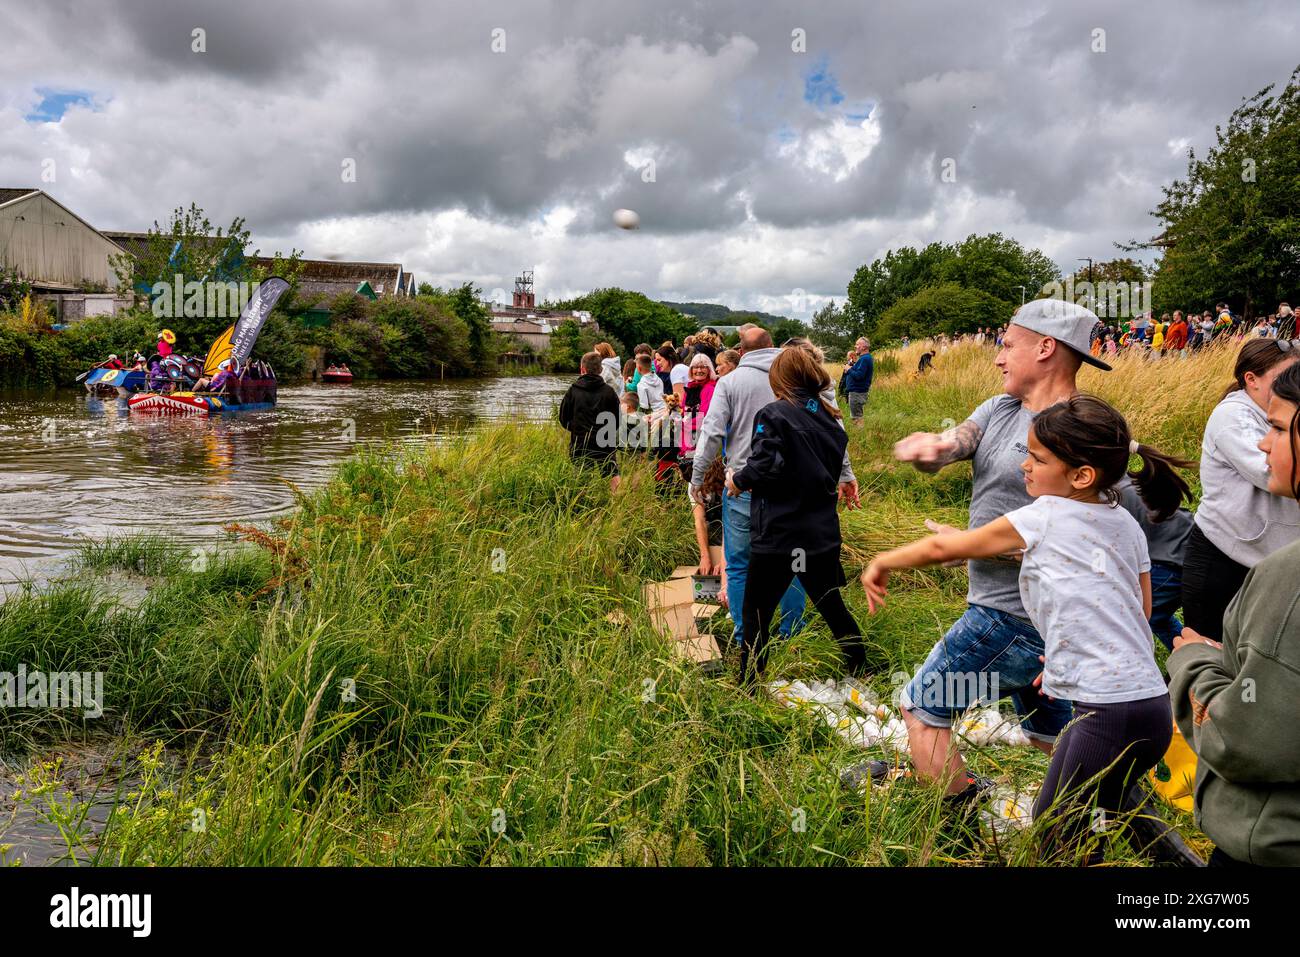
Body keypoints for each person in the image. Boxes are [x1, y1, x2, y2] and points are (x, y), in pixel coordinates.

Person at [865, 394, 1186, 860]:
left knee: (1057, 833)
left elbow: (944, 551)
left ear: (1081, 475)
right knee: (1092, 813)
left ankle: (963, 840)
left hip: (1106, 714)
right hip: (1152, 707)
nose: (1025, 468)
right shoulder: (1127, 525)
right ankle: (1172, 855)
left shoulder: (1044, 516)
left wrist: (883, 561)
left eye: (1037, 458)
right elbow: (1138, 613)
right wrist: (1064, 653)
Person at [878, 299, 1111, 805]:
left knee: (922, 708)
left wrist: (972, 547)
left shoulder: (1080, 431)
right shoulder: (1000, 408)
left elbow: (1091, 542)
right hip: (1024, 616)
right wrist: (931, 451)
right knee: (1055, 734)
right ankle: (1096, 822)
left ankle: (961, 828)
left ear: (1046, 348)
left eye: (1007, 346)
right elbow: (956, 443)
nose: (997, 358)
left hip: (1013, 617)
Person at [1168, 361, 1300, 866]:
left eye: (1280, 428)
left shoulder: (1288, 582)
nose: (1267, 444)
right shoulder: (1228, 417)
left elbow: (1237, 737)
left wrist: (1194, 661)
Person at [691, 325, 860, 649]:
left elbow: (712, 436)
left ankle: (747, 642)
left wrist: (701, 479)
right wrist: (845, 475)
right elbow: (837, 432)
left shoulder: (734, 384)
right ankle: (792, 635)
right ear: (773, 346)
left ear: (741, 352)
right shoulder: (808, 381)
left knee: (741, 565)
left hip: (751, 494)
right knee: (799, 570)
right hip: (809, 505)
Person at [728, 346, 871, 682]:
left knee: (756, 615)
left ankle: (748, 686)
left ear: (779, 380)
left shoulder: (774, 414)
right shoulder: (832, 421)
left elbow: (765, 466)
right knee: (831, 606)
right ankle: (862, 669)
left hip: (779, 534)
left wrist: (737, 480)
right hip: (819, 535)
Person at [1181, 339, 1300, 640]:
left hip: (1265, 558)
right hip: (1224, 558)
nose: (1289, 383)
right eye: (1281, 377)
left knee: (1255, 651)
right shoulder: (1232, 416)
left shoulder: (1279, 411)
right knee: (1209, 653)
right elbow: (1268, 470)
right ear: (1251, 380)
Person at [558, 351, 621, 492]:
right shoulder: (609, 392)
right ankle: (617, 503)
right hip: (605, 442)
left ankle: (581, 504)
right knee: (612, 472)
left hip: (580, 442)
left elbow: (563, 418)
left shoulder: (573, 391)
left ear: (582, 369)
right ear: (600, 370)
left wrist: (577, 429)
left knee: (581, 476)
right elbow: (617, 420)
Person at [679, 353, 717, 459]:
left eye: (703, 367)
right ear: (691, 370)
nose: (699, 370)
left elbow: (704, 416)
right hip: (686, 435)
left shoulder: (709, 389)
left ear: (709, 369)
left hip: (699, 438)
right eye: (695, 367)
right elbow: (683, 411)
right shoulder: (689, 388)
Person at [843, 338, 874, 423]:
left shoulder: (865, 359)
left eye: (857, 344)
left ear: (864, 347)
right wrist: (851, 367)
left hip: (857, 392)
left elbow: (859, 376)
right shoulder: (864, 358)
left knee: (856, 418)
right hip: (857, 392)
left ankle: (861, 434)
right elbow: (858, 372)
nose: (855, 346)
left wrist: (849, 369)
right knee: (857, 416)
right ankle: (860, 433)